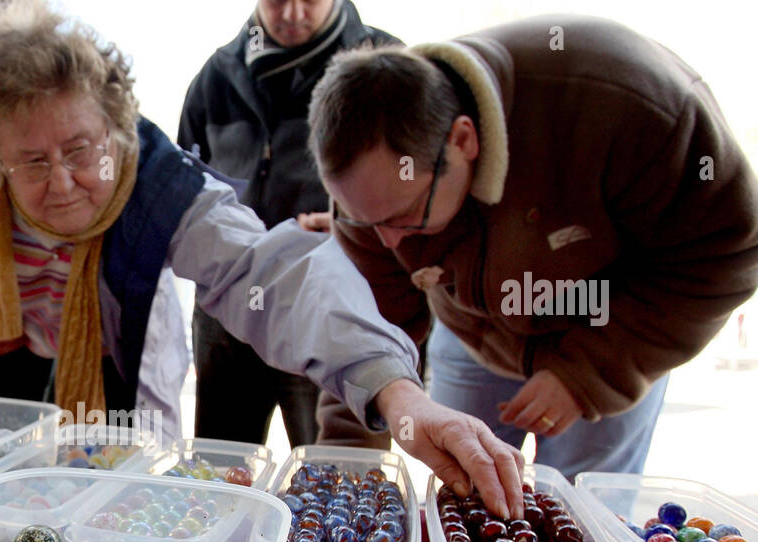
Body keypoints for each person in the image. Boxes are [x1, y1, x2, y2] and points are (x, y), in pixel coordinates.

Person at [0, 0, 526, 517]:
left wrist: (396, 393)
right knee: (5, 496)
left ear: (118, 132)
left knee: (108, 495)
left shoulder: (160, 189)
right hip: (4, 361)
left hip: (110, 363)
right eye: (34, 162)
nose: (65, 182)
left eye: (80, 150)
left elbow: (272, 270)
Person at [308, 15, 758, 479]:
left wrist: (589, 374)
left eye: (406, 218)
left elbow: (726, 254)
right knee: (463, 484)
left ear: (462, 140)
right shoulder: (376, 180)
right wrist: (346, 465)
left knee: (578, 511)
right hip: (474, 336)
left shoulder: (632, 107)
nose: (388, 243)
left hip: (616, 334)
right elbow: (370, 329)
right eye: (367, 223)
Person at [178, 0, 398, 450]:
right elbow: (187, 184)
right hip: (228, 313)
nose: (293, 13)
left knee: (333, 473)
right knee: (223, 465)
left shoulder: (384, 67)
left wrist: (355, 229)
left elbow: (417, 194)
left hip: (330, 304)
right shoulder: (216, 76)